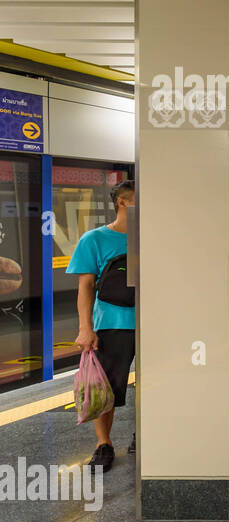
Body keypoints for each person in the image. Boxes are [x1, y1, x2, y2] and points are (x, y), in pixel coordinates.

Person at [67, 180, 136, 471]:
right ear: (123, 201)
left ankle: (143, 434)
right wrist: (85, 328)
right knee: (106, 386)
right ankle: (103, 443)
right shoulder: (94, 239)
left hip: (155, 323)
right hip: (111, 323)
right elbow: (85, 287)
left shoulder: (152, 237)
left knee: (156, 384)